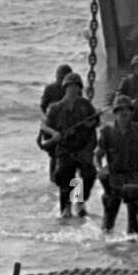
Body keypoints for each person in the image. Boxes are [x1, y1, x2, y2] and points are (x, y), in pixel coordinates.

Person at [95, 95, 138, 235]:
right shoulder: (107, 132)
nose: (124, 113)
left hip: (133, 179)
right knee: (109, 220)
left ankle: (132, 252)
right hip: (114, 178)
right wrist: (100, 169)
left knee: (134, 221)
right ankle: (106, 250)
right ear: (115, 113)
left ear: (132, 112)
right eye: (120, 110)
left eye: (127, 110)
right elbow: (98, 155)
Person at [42, 73, 99, 217]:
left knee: (88, 175)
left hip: (82, 147)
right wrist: (55, 134)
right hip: (65, 149)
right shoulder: (55, 108)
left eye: (76, 87)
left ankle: (79, 201)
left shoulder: (85, 105)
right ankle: (66, 208)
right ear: (65, 88)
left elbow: (95, 121)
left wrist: (89, 123)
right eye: (70, 87)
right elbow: (44, 126)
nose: (73, 90)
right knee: (65, 178)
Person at [38, 63, 73, 177]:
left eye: (64, 77)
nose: (61, 80)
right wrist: (48, 120)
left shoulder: (73, 89)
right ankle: (53, 179)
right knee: (53, 154)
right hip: (53, 125)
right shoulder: (50, 89)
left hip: (68, 125)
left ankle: (67, 177)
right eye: (59, 77)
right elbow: (43, 106)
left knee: (69, 153)